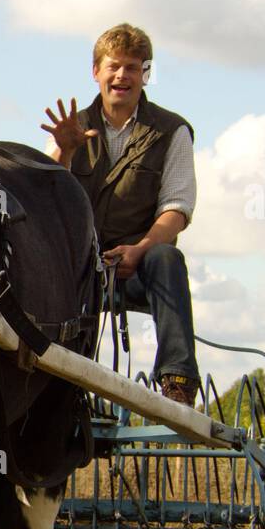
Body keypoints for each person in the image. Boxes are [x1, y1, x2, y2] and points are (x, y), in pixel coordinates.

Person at [41, 23, 200, 407]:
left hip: (138, 269)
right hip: (79, 269)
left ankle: (178, 382)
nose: (121, 76)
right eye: (113, 66)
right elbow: (44, 200)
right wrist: (63, 153)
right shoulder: (71, 127)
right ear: (96, 71)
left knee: (168, 258)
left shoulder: (171, 131)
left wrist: (140, 249)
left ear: (145, 74)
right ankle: (56, 384)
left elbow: (176, 208)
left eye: (132, 67)